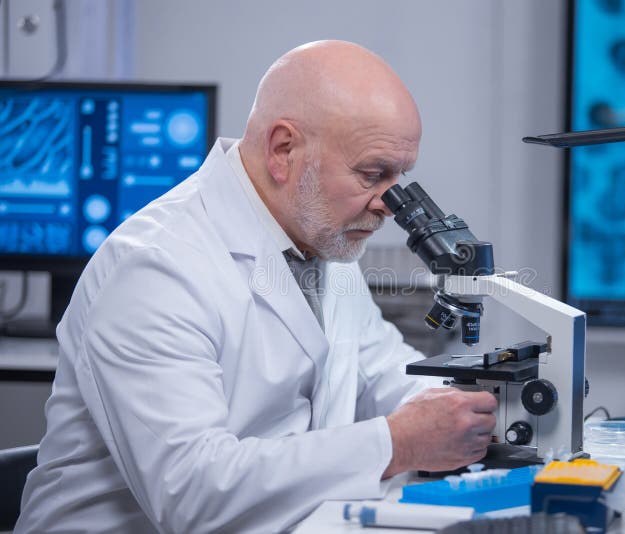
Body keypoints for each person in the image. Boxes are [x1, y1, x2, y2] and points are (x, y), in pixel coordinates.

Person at [15, 40, 497, 533]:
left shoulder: (322, 238)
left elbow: (381, 371)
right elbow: (192, 495)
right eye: (373, 174)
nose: (388, 205)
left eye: (399, 177)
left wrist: (467, 413)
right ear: (283, 150)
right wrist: (395, 444)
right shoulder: (154, 268)